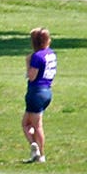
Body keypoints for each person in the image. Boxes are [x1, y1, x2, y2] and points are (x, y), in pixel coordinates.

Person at [22, 27, 56, 163]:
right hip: (47, 90)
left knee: (33, 125)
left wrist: (28, 64)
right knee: (27, 122)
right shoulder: (51, 54)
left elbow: (32, 76)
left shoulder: (37, 57)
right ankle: (35, 152)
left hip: (36, 92)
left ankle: (38, 152)